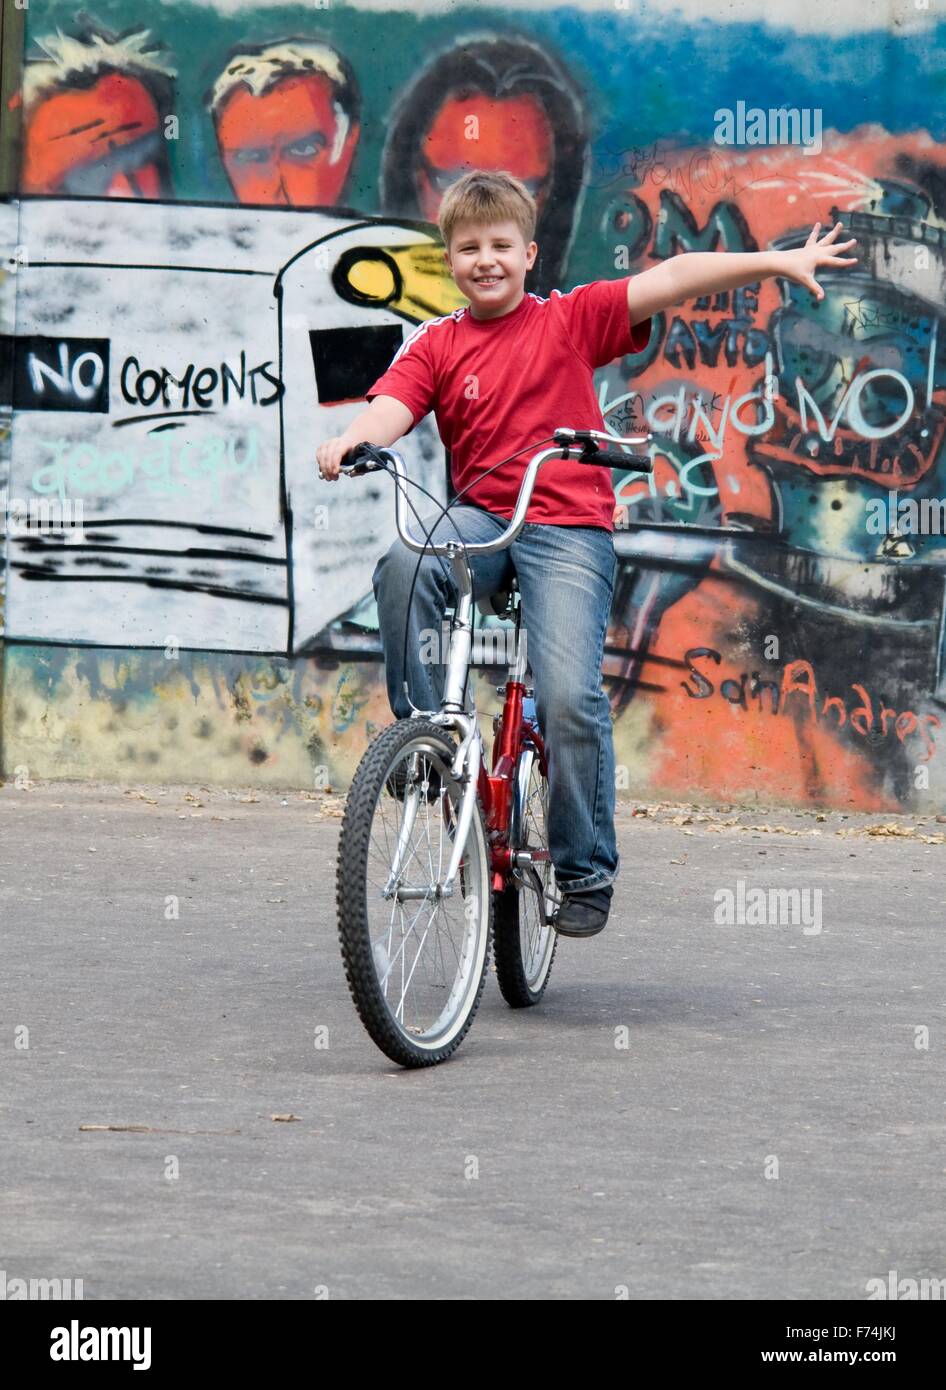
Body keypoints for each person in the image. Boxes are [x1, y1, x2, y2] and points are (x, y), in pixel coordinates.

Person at [316, 170, 857, 937]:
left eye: (500, 246)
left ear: (529, 253)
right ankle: (427, 742)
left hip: (568, 528)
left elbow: (671, 277)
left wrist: (773, 264)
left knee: (569, 696)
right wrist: (351, 440)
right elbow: (390, 407)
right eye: (468, 248)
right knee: (406, 563)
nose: (486, 261)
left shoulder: (570, 320)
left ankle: (584, 868)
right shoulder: (437, 342)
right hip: (480, 520)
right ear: (450, 260)